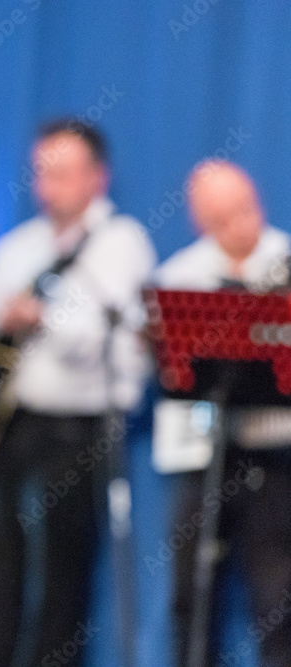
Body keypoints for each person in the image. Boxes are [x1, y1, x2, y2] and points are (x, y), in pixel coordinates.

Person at [0, 119, 156, 667]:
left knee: (63, 570)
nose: (48, 186)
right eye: (41, 172)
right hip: (10, 425)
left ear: (96, 176)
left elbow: (97, 339)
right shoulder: (21, 246)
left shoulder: (120, 243)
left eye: (62, 173)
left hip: (78, 432)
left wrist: (42, 314)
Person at [154, 160, 291, 667]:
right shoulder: (180, 278)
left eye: (245, 209)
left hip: (275, 457)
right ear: (200, 221)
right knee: (192, 593)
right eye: (221, 218)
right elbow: (170, 373)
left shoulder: (286, 262)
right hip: (202, 458)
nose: (239, 225)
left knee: (277, 594)